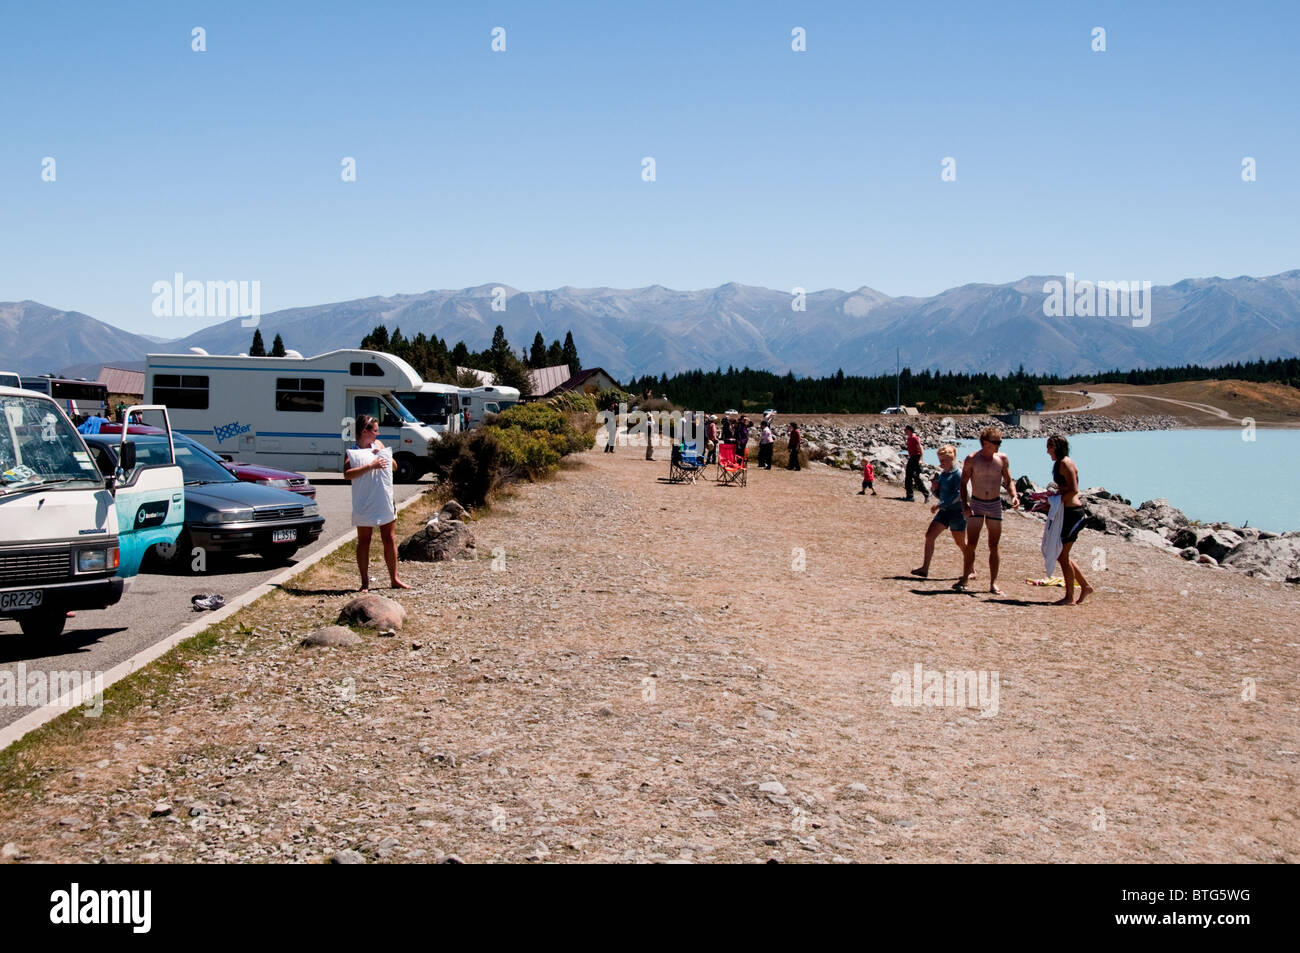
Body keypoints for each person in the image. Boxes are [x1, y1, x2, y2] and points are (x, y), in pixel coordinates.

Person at [343, 414, 409, 592]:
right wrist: (369, 466)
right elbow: (347, 474)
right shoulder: (353, 452)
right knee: (364, 541)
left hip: (383, 498)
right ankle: (364, 582)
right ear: (365, 431)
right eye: (375, 431)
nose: (378, 435)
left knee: (389, 538)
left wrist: (385, 457)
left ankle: (394, 579)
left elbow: (394, 466)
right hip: (365, 501)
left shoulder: (378, 446)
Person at [955, 426, 1019, 594]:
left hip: (994, 504)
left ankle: (993, 583)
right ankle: (965, 577)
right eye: (995, 442)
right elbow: (963, 483)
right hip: (977, 503)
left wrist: (1014, 495)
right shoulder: (972, 459)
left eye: (1000, 442)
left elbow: (1008, 480)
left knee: (994, 545)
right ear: (985, 442)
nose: (998, 445)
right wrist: (964, 504)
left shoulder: (1002, 459)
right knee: (972, 544)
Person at [1046, 434, 1094, 606]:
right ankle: (1085, 586)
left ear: (1057, 447)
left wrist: (1056, 502)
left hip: (1073, 512)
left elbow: (1073, 490)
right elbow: (1064, 488)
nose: (1047, 451)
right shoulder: (1059, 464)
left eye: (1049, 447)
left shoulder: (1066, 463)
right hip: (1065, 512)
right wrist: (1052, 497)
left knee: (1062, 554)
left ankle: (1069, 596)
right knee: (1061, 554)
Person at [912, 445, 971, 577]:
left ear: (951, 459)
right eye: (940, 460)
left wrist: (939, 505)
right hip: (944, 511)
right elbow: (941, 495)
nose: (940, 463)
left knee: (961, 543)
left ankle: (971, 569)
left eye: (943, 460)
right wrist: (934, 489)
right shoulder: (943, 475)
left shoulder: (958, 474)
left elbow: (958, 495)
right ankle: (925, 568)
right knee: (929, 535)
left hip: (957, 513)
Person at [903, 424, 929, 502]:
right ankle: (910, 496)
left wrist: (920, 460)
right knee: (908, 477)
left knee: (916, 477)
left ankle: (926, 494)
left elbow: (921, 450)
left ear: (909, 430)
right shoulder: (909, 438)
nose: (904, 431)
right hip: (912, 458)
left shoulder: (914, 438)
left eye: (906, 430)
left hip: (916, 458)